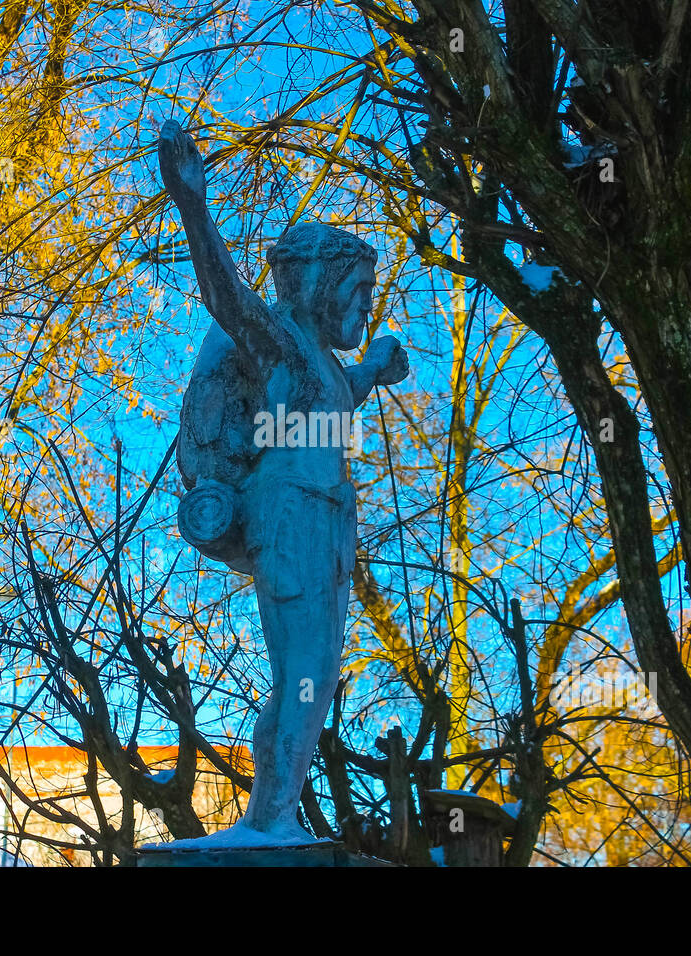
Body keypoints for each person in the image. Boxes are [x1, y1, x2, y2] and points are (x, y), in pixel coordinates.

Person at [158, 121, 409, 846]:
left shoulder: (323, 366)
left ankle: (273, 817)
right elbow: (224, 296)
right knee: (307, 670)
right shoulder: (281, 337)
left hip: (329, 520)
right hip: (289, 512)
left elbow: (329, 407)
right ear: (320, 283)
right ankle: (268, 824)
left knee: (318, 676)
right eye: (359, 291)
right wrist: (193, 203)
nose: (367, 306)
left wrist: (372, 373)